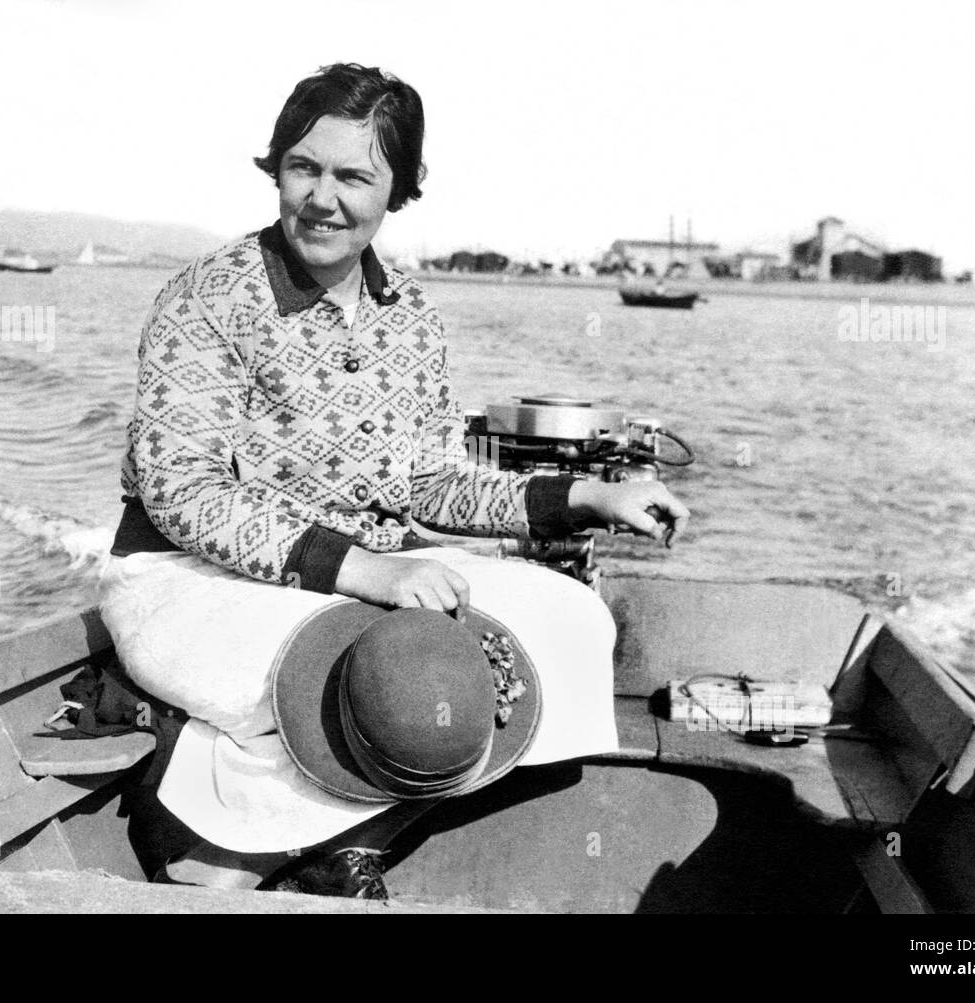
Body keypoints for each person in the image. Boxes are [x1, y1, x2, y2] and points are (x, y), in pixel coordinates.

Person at [98, 62, 690, 897]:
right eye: (303, 168)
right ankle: (210, 853)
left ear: (398, 190)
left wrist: (586, 496)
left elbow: (430, 483)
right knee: (388, 672)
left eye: (354, 176)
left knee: (570, 621)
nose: (322, 198)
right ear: (276, 168)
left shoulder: (406, 314)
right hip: (189, 576)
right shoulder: (206, 297)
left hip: (356, 575)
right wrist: (368, 572)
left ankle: (346, 835)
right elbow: (182, 491)